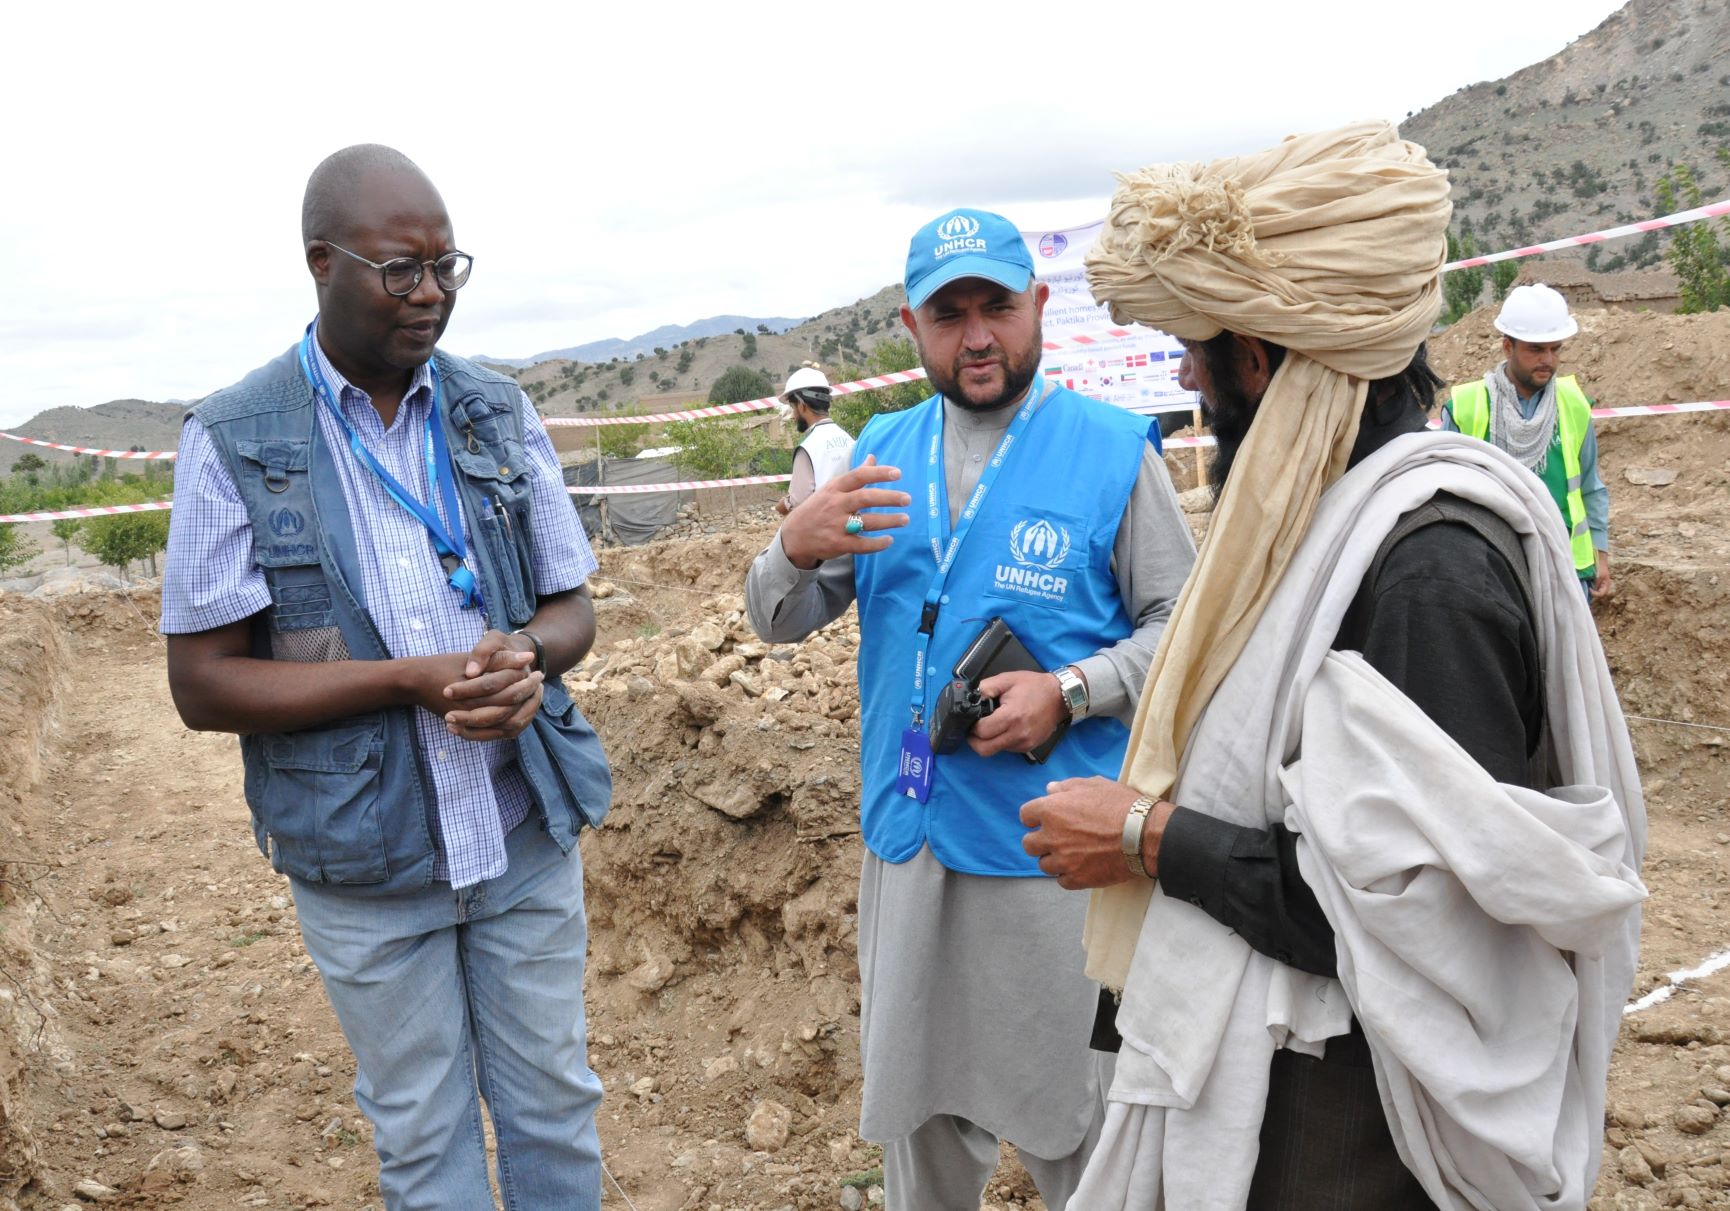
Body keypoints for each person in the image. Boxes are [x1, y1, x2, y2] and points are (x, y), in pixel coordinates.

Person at [1018, 123, 1646, 1210]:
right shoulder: (1327, 523)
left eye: (1196, 346)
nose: (1184, 373)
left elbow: (1423, 922)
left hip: (1359, 1135)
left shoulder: (1424, 574)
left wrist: (1144, 835)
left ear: (1258, 359)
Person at [160, 144, 613, 1211]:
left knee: (555, 1106)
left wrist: (526, 654)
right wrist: (405, 678)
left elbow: (572, 609)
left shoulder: (494, 409)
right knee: (422, 1134)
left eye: (447, 266)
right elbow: (203, 683)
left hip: (518, 830)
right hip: (363, 864)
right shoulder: (233, 439)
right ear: (321, 262)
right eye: (400, 270)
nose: (431, 294)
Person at [744, 208, 1194, 1210]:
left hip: (1051, 856)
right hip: (908, 844)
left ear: (1038, 305)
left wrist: (1070, 691)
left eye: (997, 306)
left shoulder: (1112, 451)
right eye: (950, 315)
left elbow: (1185, 626)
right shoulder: (881, 451)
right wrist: (795, 545)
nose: (977, 335)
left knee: (1077, 1136)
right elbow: (777, 619)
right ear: (913, 327)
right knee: (921, 1133)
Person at [1441, 282, 1612, 602]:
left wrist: (1600, 553)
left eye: (1555, 349)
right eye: (1536, 349)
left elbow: (1591, 487)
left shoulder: (1573, 405)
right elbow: (1444, 492)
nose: (1548, 359)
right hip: (1489, 565)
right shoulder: (1466, 407)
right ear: (1508, 347)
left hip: (1565, 567)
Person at [774, 364, 855, 514]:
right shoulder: (849, 439)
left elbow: (798, 501)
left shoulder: (808, 448)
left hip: (822, 524)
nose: (793, 416)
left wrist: (782, 506)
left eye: (793, 407)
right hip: (851, 523)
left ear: (802, 406)